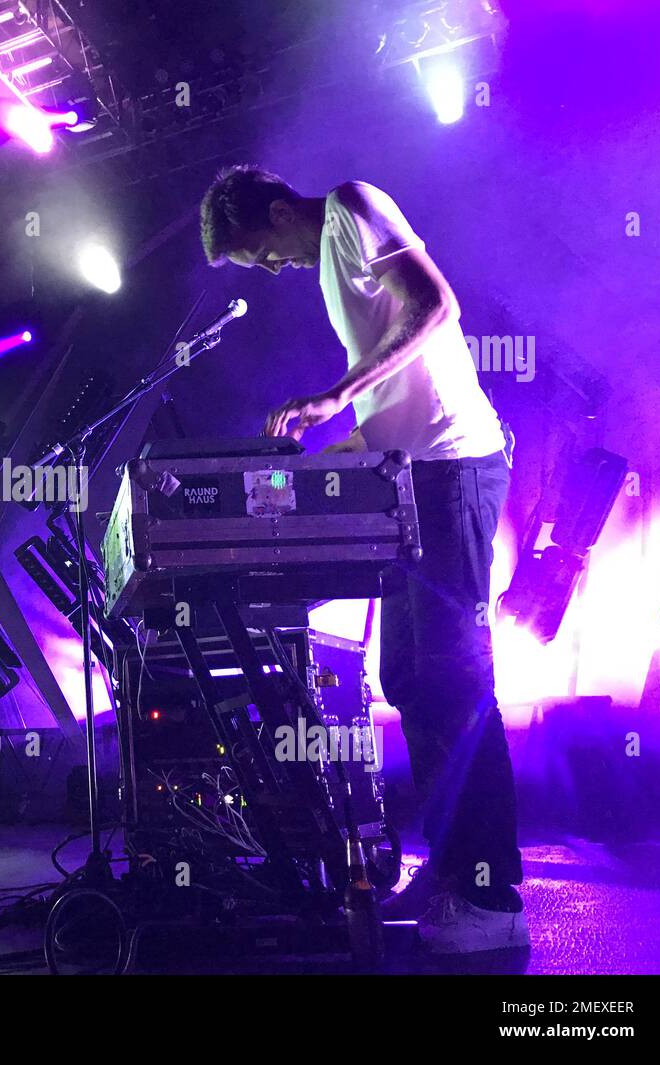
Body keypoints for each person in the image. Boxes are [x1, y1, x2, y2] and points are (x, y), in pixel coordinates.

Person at [199, 165, 526, 954]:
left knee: (455, 677)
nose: (270, 270)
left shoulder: (353, 205)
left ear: (280, 211)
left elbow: (436, 306)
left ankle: (493, 894)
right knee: (410, 677)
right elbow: (392, 402)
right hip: (412, 477)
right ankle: (453, 870)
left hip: (452, 468)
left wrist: (334, 394)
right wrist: (317, 459)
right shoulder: (332, 269)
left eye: (260, 252)